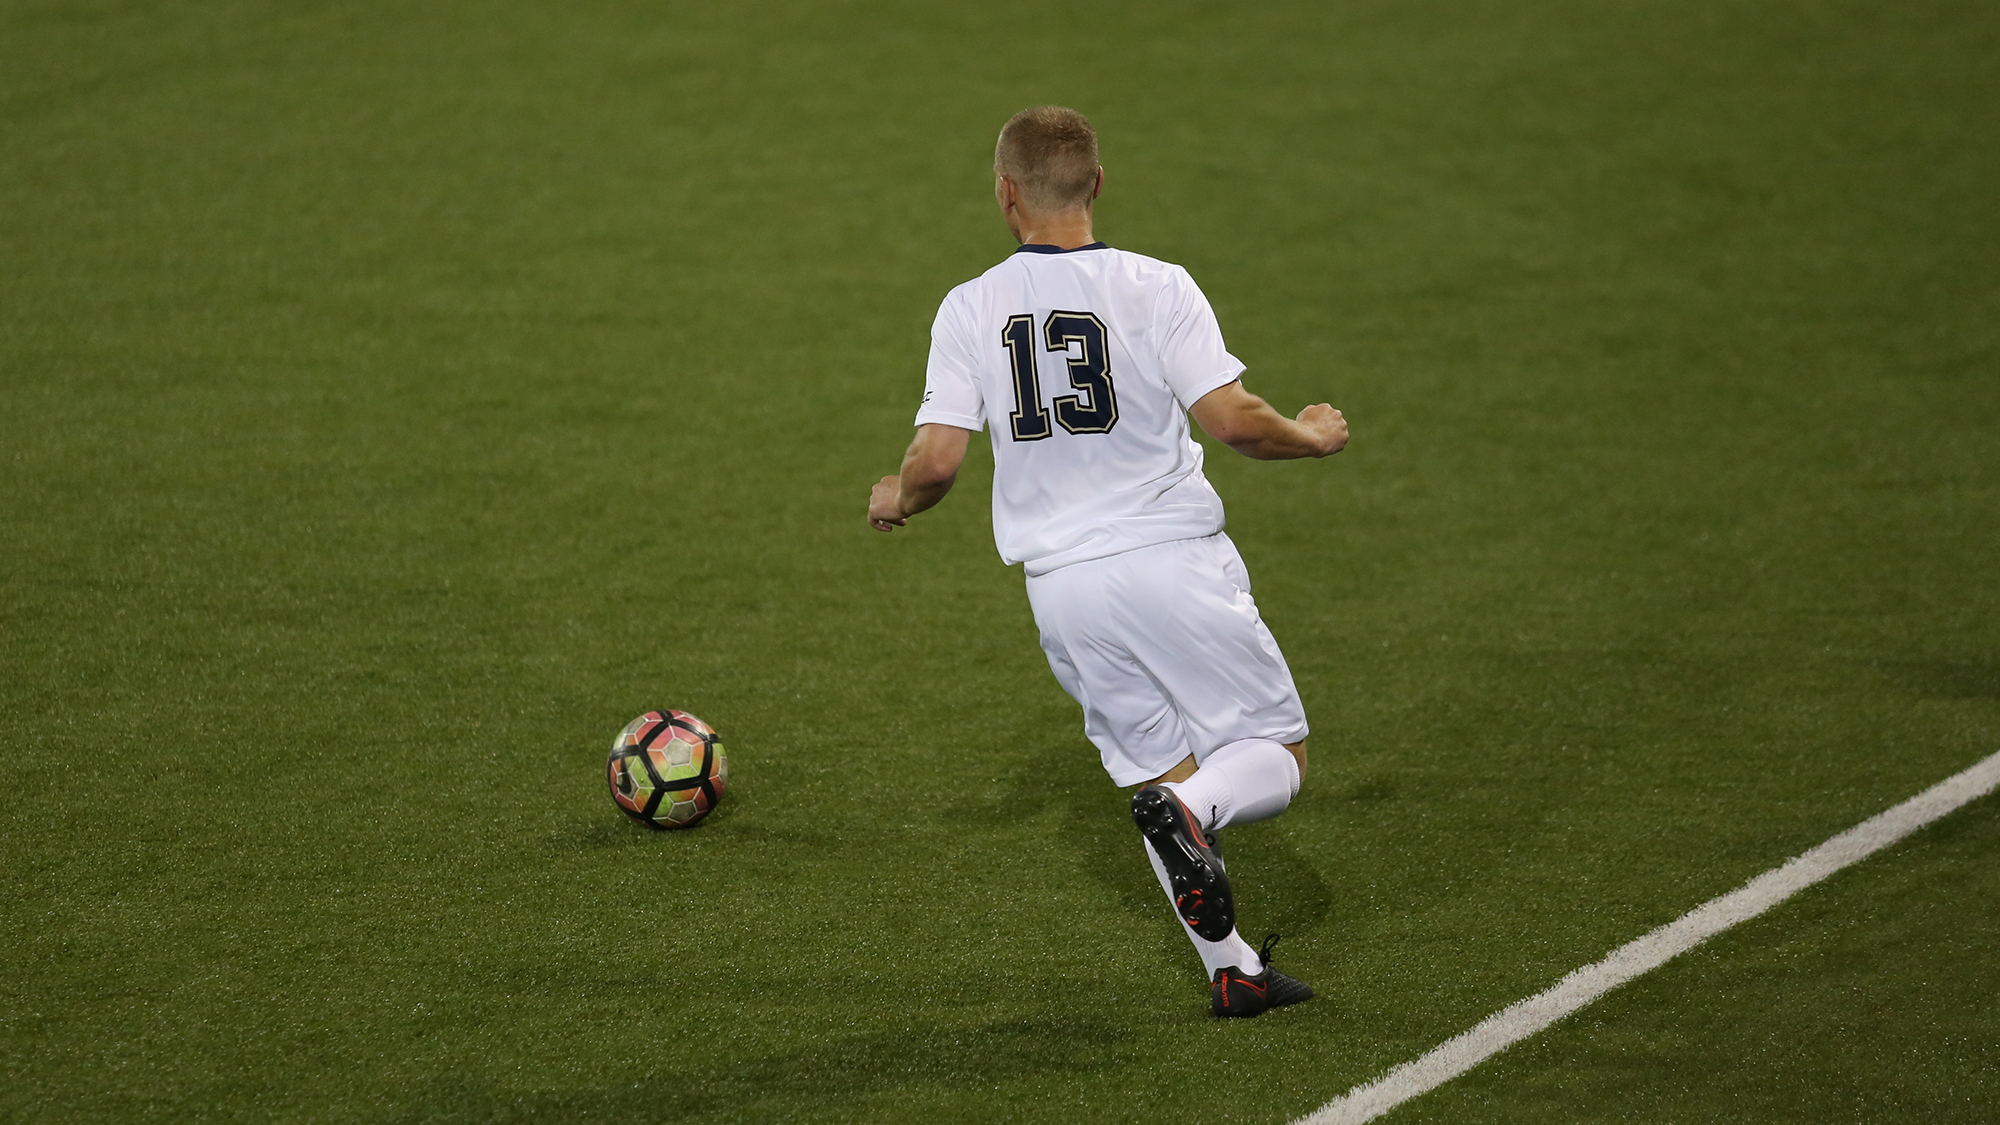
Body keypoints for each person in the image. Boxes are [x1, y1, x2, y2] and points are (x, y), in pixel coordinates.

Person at [866, 106, 1348, 1017]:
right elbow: (1236, 423)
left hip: (1063, 594)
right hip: (1169, 559)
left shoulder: (970, 307)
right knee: (1274, 757)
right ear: (1096, 185)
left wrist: (898, 495)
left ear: (1005, 193)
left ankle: (1234, 971)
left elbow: (934, 463)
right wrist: (1312, 438)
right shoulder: (1156, 286)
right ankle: (1203, 823)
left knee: (1159, 783)